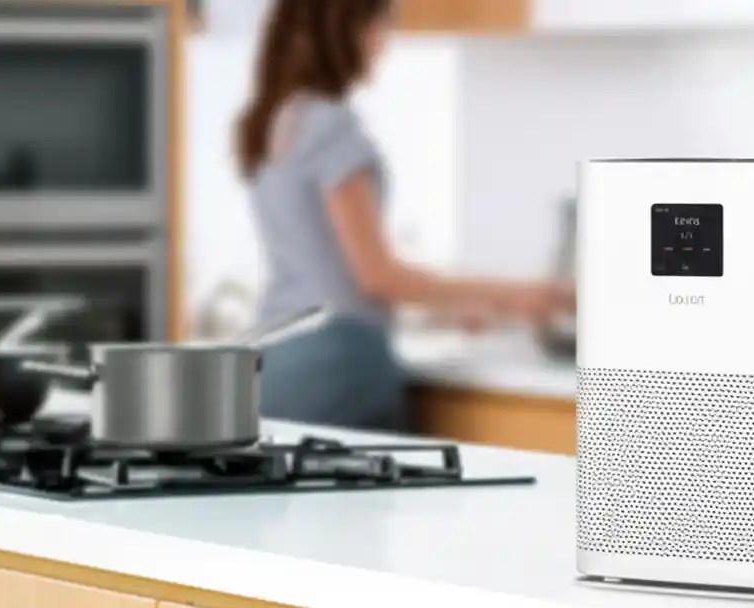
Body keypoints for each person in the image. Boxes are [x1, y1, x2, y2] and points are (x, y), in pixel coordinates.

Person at [237, 0, 573, 431]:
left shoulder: (276, 121)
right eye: (381, 22)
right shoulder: (330, 126)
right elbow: (377, 276)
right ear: (346, 28)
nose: (384, 40)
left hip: (275, 361)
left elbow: (327, 268)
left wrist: (451, 309)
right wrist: (519, 294)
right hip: (338, 367)